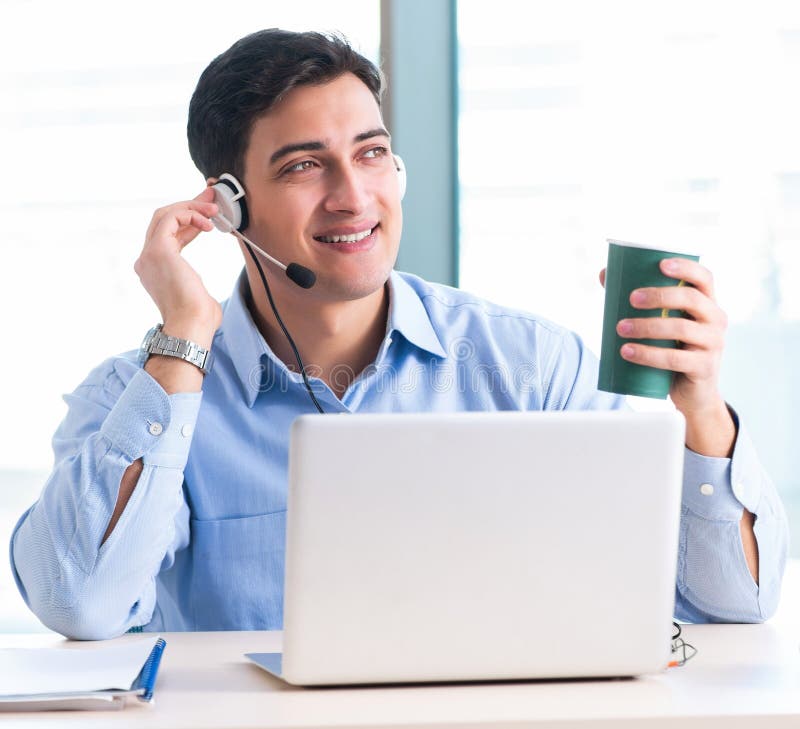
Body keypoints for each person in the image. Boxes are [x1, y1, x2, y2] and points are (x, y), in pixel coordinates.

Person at [10, 29, 788, 639]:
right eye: (304, 166)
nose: (355, 197)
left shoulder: (529, 368)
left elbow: (731, 605)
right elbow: (82, 604)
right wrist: (183, 334)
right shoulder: (144, 395)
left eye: (372, 153)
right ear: (227, 207)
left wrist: (705, 416)